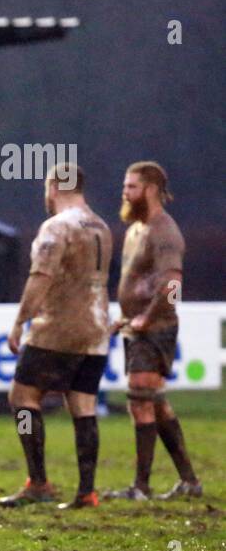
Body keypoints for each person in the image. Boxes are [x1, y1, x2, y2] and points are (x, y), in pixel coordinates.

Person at [0, 164, 112, 511]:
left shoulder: (57, 227)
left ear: (53, 188)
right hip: (97, 326)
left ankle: (38, 482)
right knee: (83, 404)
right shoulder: (102, 227)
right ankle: (87, 492)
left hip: (59, 326)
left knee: (22, 399)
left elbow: (40, 276)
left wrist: (20, 322)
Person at [105, 161, 200, 501]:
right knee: (154, 403)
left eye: (132, 187)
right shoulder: (135, 229)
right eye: (125, 186)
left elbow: (173, 285)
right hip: (135, 328)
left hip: (155, 329)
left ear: (151, 189)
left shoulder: (165, 231)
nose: (125, 193)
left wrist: (149, 316)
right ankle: (189, 481)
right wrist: (126, 317)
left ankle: (141, 487)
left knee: (140, 398)